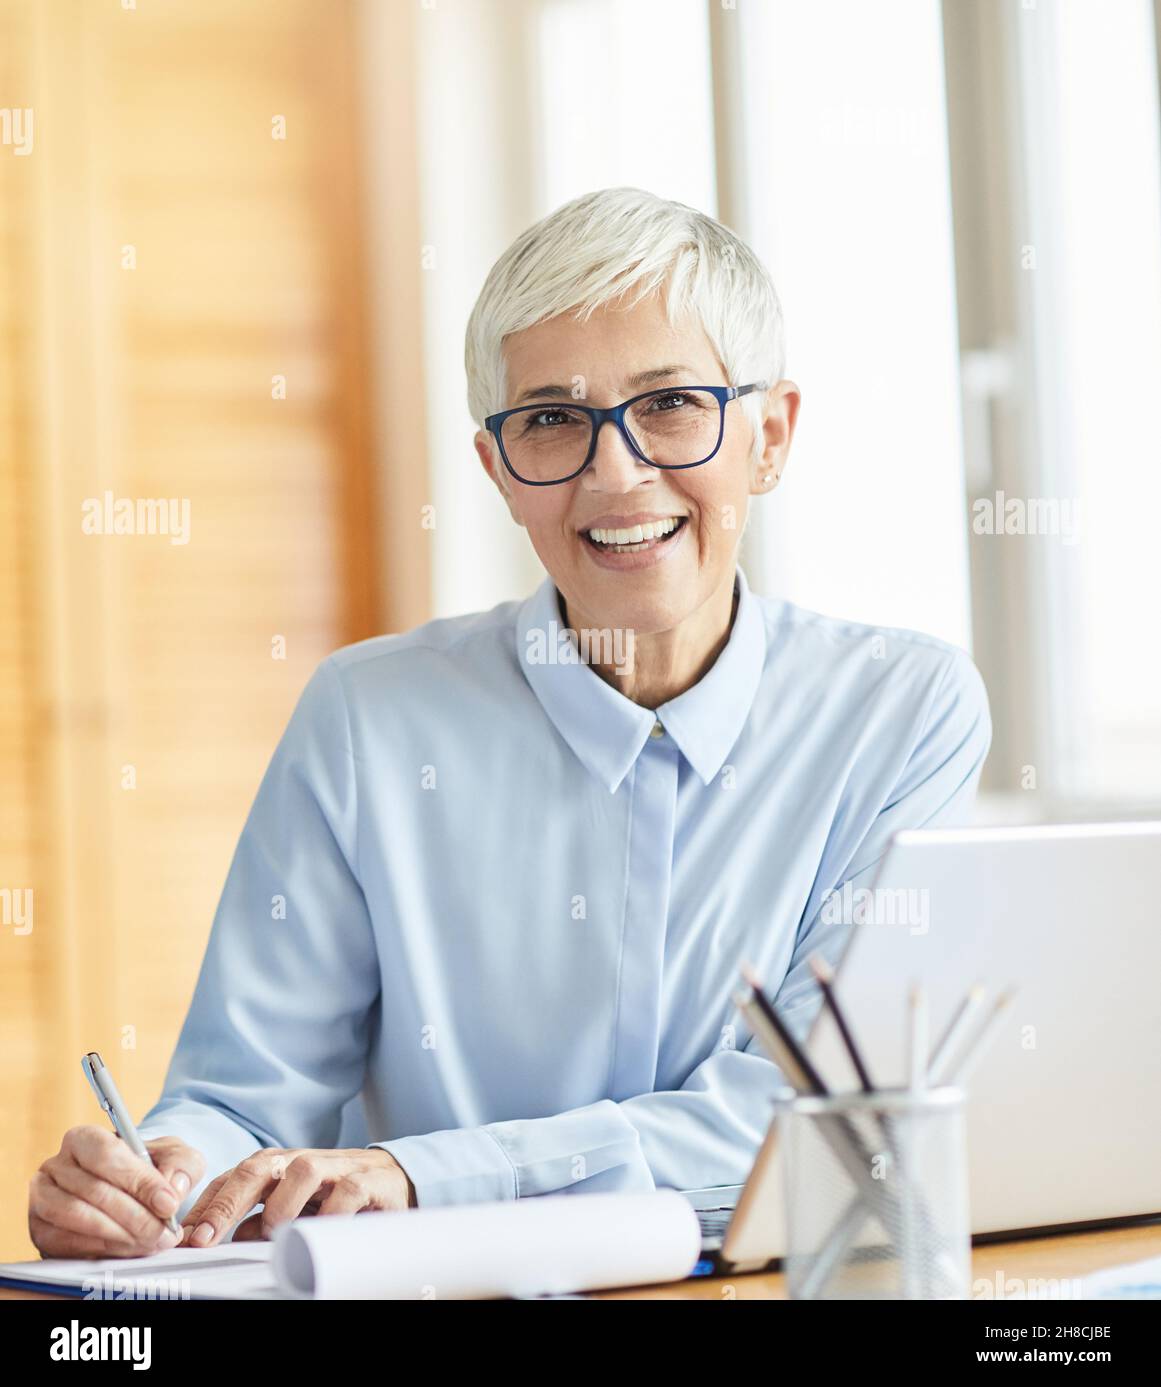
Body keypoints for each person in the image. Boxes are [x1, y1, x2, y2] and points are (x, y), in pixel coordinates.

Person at [29, 187, 990, 1258]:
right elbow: (247, 1099)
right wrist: (157, 1174)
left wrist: (424, 1176)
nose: (615, 472)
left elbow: (816, 1115)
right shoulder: (369, 718)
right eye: (551, 420)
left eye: (670, 404)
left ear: (770, 436)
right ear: (498, 472)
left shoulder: (906, 715)